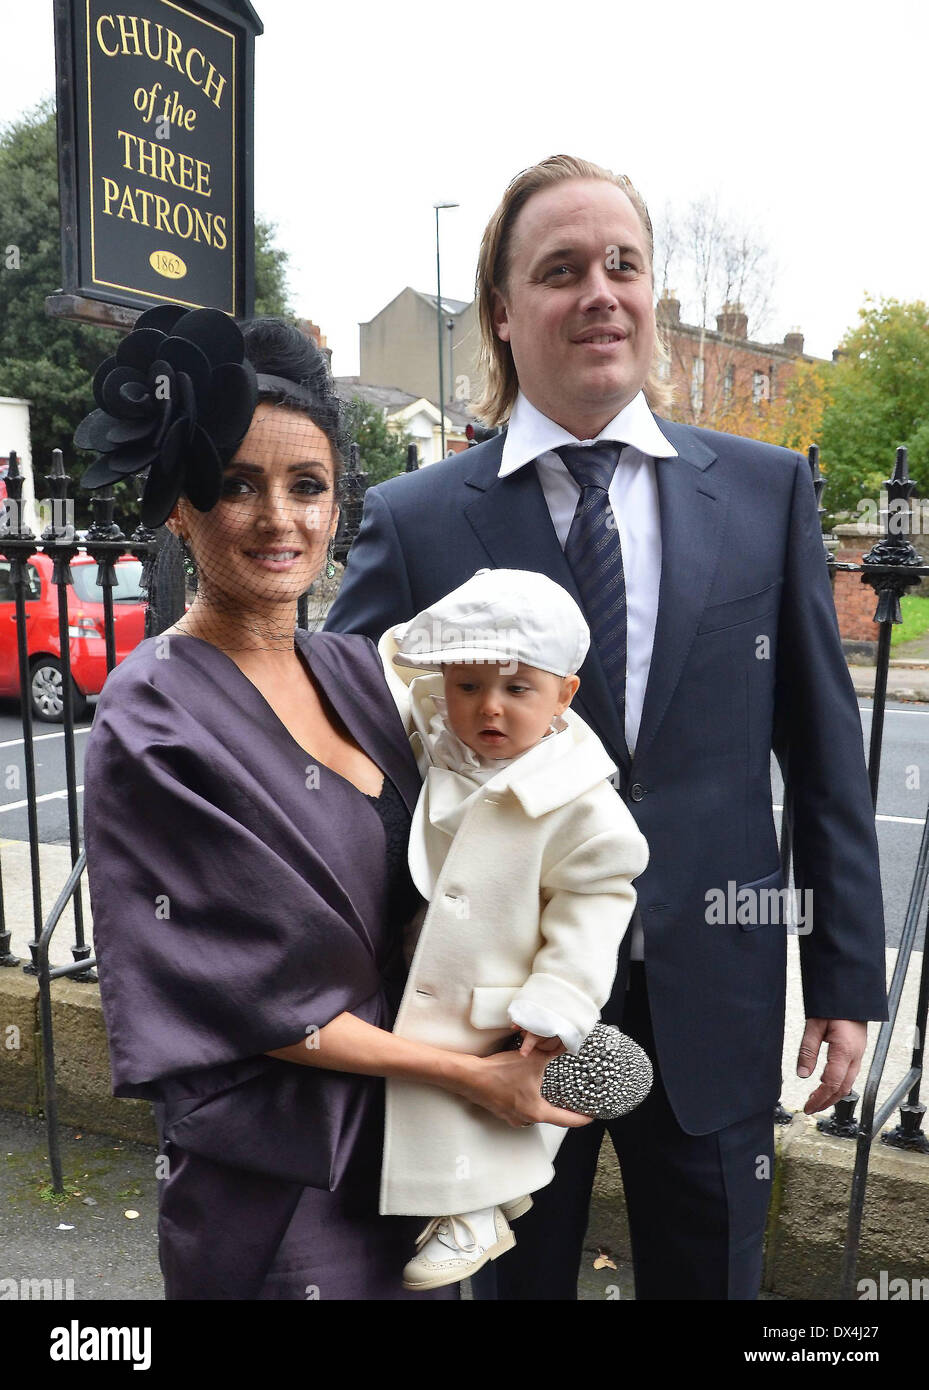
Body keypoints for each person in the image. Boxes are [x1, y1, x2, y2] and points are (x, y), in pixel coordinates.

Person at [324, 155, 889, 1300]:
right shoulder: (419, 518)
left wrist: (841, 971)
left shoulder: (766, 491)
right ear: (502, 309)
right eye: (561, 268)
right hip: (500, 1021)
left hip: (714, 996)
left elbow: (823, 754)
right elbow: (347, 762)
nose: (600, 292)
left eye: (622, 265)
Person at [78, 306, 589, 1301]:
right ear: (180, 506)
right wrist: (470, 1077)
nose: (280, 518)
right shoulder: (153, 712)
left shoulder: (361, 673)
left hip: (417, 1164)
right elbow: (250, 1001)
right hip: (279, 1187)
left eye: (307, 486)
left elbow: (479, 837)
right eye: (236, 485)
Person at [373, 568, 649, 1290]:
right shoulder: (434, 738)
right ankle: (483, 1202)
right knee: (443, 1101)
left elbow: (593, 907)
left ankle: (471, 1217)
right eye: (467, 687)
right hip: (422, 965)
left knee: (474, 1102)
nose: (489, 708)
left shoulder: (580, 803)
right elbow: (390, 673)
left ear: (564, 695)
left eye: (517, 689)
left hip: (502, 991)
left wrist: (558, 1000)